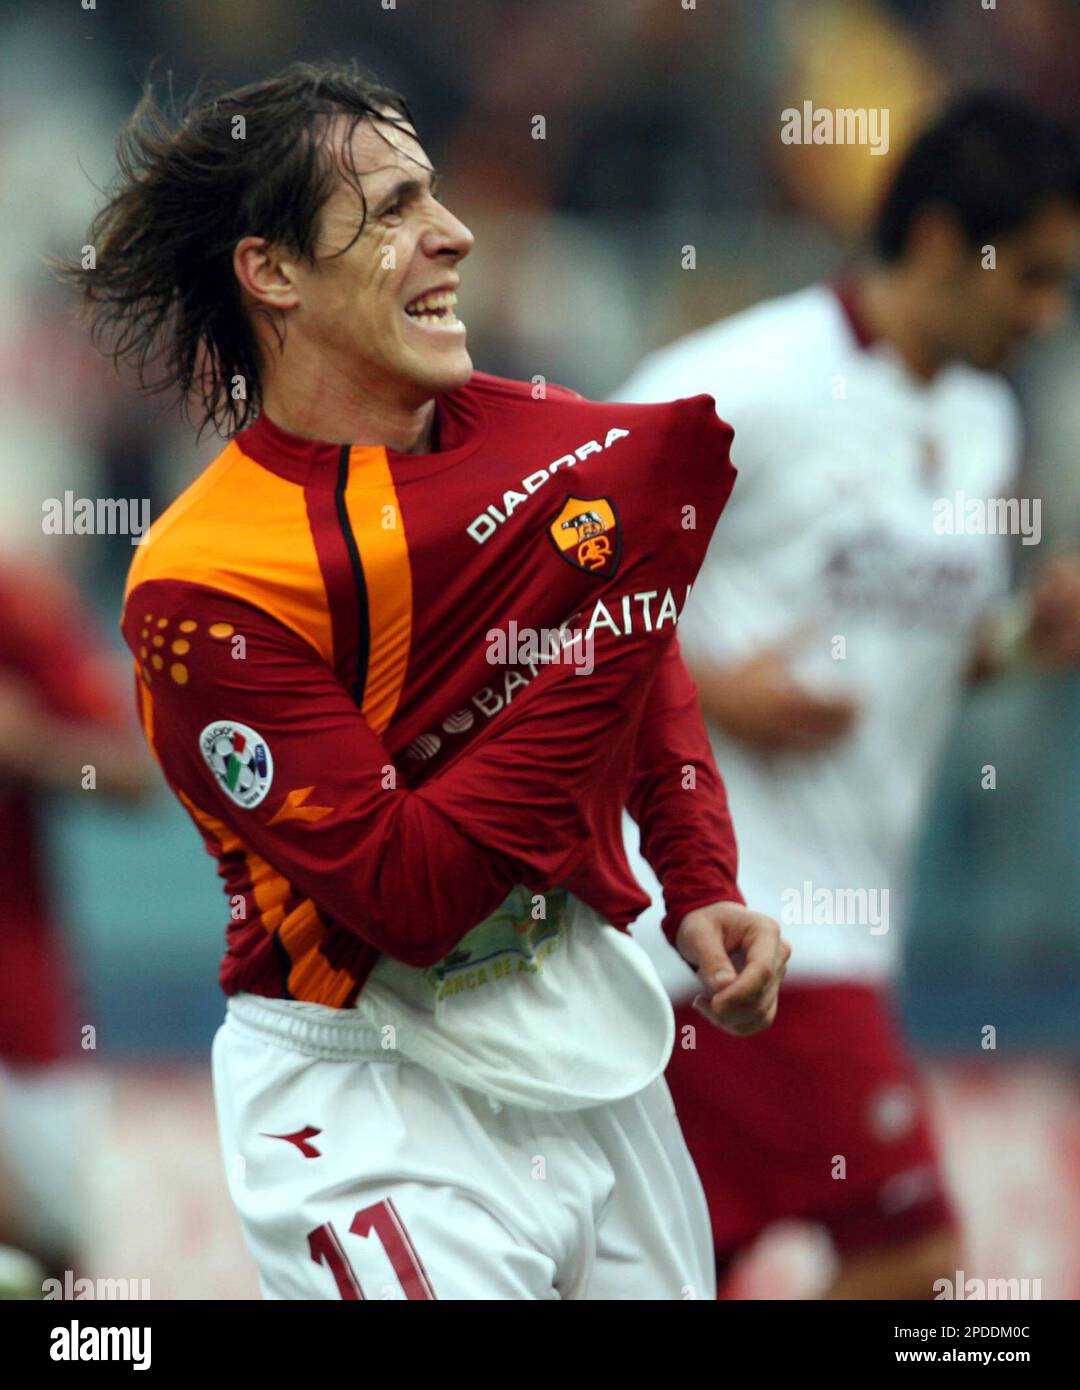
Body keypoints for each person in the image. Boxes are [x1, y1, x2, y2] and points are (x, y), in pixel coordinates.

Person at [60, 60, 789, 1300]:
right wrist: (607, 621)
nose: (452, 234)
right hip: (368, 1090)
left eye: (434, 197)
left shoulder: (548, 431)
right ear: (272, 272)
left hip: (590, 1048)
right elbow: (409, 895)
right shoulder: (205, 584)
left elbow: (642, 645)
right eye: (392, 209)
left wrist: (699, 873)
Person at [617, 92, 1080, 1299]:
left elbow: (914, 646)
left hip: (850, 920)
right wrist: (713, 684)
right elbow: (548, 608)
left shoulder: (983, 422)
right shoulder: (734, 386)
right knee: (918, 1262)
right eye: (1031, 277)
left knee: (674, 1275)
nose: (1047, 314)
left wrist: (1028, 638)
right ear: (936, 240)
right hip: (730, 923)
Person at [0, 560, 148, 1293]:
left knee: (56, 1258)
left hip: (21, 1011)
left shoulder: (15, 603)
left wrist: (29, 747)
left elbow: (126, 772)